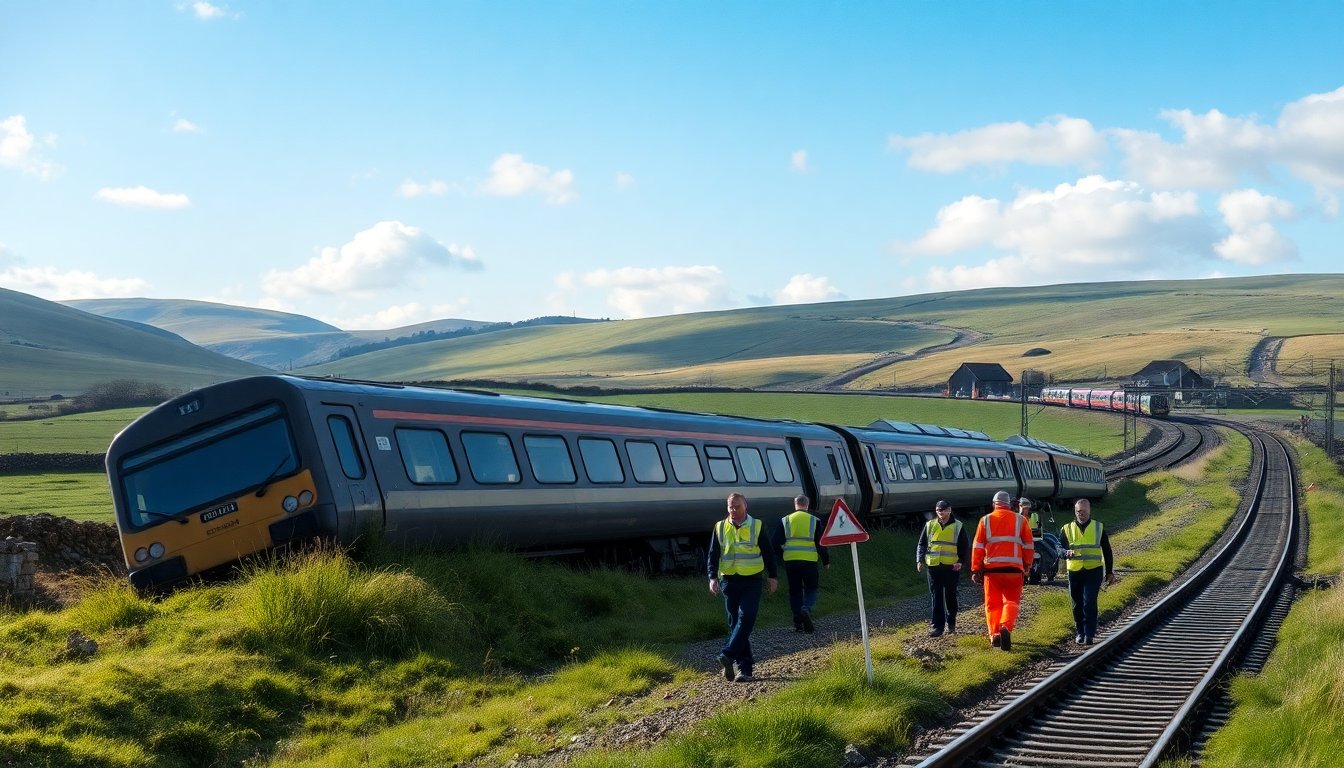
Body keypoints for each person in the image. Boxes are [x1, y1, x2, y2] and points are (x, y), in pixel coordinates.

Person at [707, 492, 779, 682]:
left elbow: (769, 553)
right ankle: (743, 669)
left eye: (737, 507)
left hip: (752, 580)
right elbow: (713, 554)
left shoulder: (757, 526)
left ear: (745, 506)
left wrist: (773, 576)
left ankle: (728, 654)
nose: (733, 510)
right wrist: (712, 577)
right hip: (729, 581)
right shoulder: (720, 527)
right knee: (735, 624)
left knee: (746, 617)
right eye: (730, 507)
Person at [971, 490, 1034, 650]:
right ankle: (1005, 626)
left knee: (992, 604)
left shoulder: (985, 520)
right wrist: (1027, 565)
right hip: (1014, 570)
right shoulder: (1021, 520)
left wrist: (976, 569)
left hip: (992, 572)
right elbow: (1028, 545)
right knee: (1011, 602)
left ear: (994, 504)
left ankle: (995, 635)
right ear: (1010, 505)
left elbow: (978, 547)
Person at [1061, 498, 1116, 645]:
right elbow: (1059, 548)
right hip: (1074, 571)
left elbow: (1107, 550)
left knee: (1089, 601)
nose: (1081, 514)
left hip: (1094, 570)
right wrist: (1065, 553)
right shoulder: (1066, 529)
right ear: (1075, 511)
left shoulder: (1098, 527)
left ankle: (1089, 633)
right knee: (1077, 603)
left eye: (1084, 511)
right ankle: (1080, 632)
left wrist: (1109, 571)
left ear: (1089, 510)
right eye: (1079, 511)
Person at [775, 494, 829, 633]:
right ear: (807, 504)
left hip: (791, 561)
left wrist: (783, 556)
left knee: (795, 591)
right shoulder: (814, 520)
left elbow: (775, 542)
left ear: (795, 504)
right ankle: (806, 608)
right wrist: (826, 561)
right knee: (811, 588)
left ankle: (798, 622)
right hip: (809, 561)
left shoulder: (785, 520)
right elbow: (820, 544)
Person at [916, 499, 970, 636]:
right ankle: (937, 627)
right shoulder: (930, 525)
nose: (941, 512)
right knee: (936, 595)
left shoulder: (958, 526)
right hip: (933, 566)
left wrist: (961, 562)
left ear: (949, 510)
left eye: (944, 509)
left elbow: (964, 546)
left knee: (950, 595)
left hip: (951, 567)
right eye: (939, 510)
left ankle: (951, 621)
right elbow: (922, 544)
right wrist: (919, 560)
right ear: (936, 511)